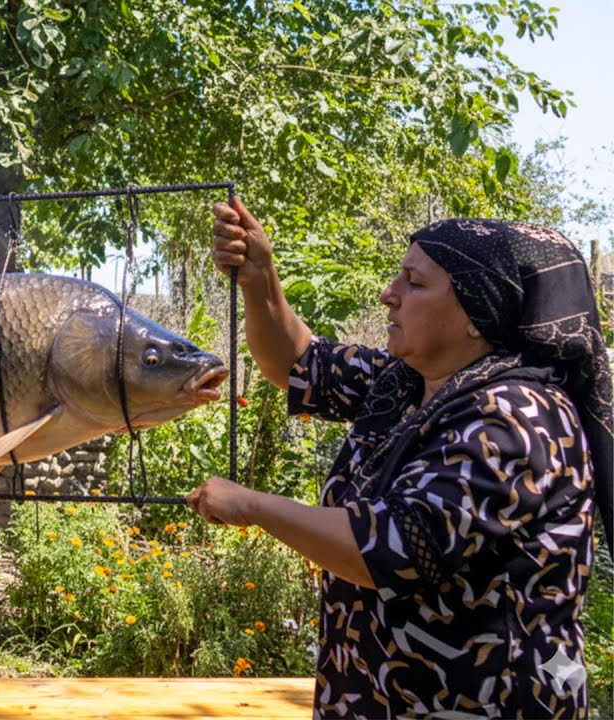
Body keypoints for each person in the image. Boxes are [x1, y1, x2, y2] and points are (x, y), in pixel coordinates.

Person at [186, 199, 612, 719]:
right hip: (379, 697)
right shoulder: (407, 381)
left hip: (485, 703)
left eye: (414, 282)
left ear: (477, 314)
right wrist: (259, 277)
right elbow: (295, 361)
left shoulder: (516, 416)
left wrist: (249, 504)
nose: (389, 294)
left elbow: (395, 549)